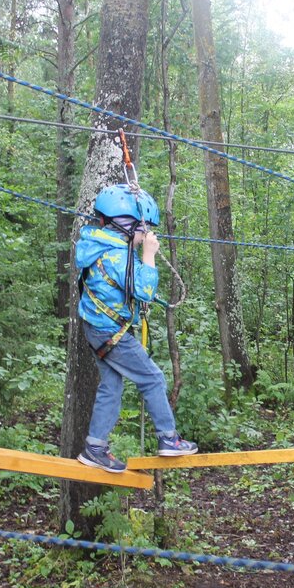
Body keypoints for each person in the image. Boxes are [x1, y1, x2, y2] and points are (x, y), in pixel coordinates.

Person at [75, 183, 198, 473]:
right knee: (153, 379)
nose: (146, 235)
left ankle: (95, 446)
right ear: (126, 226)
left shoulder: (100, 242)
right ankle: (169, 439)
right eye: (144, 229)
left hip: (97, 328)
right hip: (110, 332)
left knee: (111, 386)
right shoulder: (117, 255)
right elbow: (143, 290)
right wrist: (149, 255)